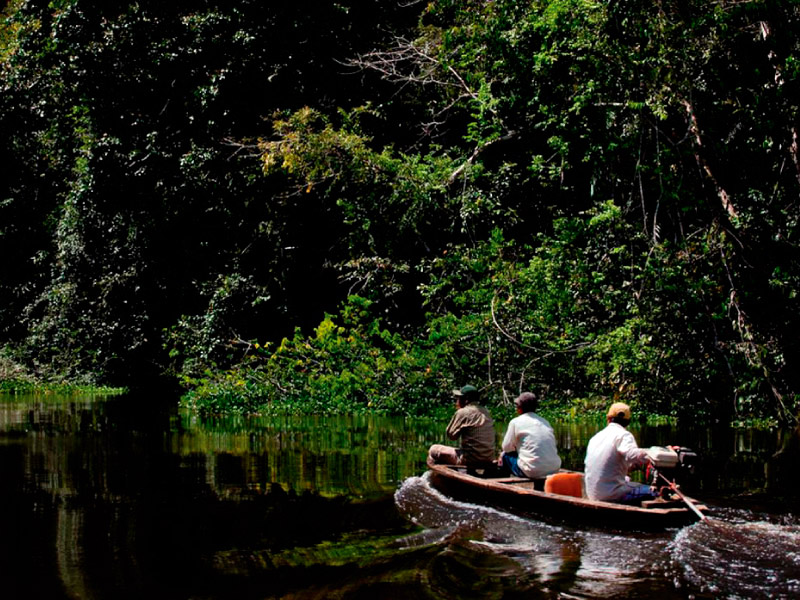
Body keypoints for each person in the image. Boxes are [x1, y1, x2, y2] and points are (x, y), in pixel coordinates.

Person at [584, 402, 656, 504]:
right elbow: (632, 454)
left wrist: (632, 465)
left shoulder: (595, 438)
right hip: (611, 495)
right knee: (656, 492)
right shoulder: (624, 435)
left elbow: (611, 461)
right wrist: (655, 453)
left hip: (592, 494)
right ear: (628, 422)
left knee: (627, 479)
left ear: (608, 419)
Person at [428, 385, 496, 470]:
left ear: (466, 400)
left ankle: (436, 475)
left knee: (433, 449)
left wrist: (458, 413)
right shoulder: (486, 412)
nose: (457, 400)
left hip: (470, 459)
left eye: (459, 398)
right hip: (488, 458)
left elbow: (451, 436)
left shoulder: (463, 412)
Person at [498, 392, 561, 482]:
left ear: (520, 408)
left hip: (532, 471)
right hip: (554, 468)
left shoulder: (515, 422)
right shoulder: (545, 421)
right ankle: (539, 487)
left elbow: (506, 447)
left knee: (505, 456)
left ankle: (503, 485)